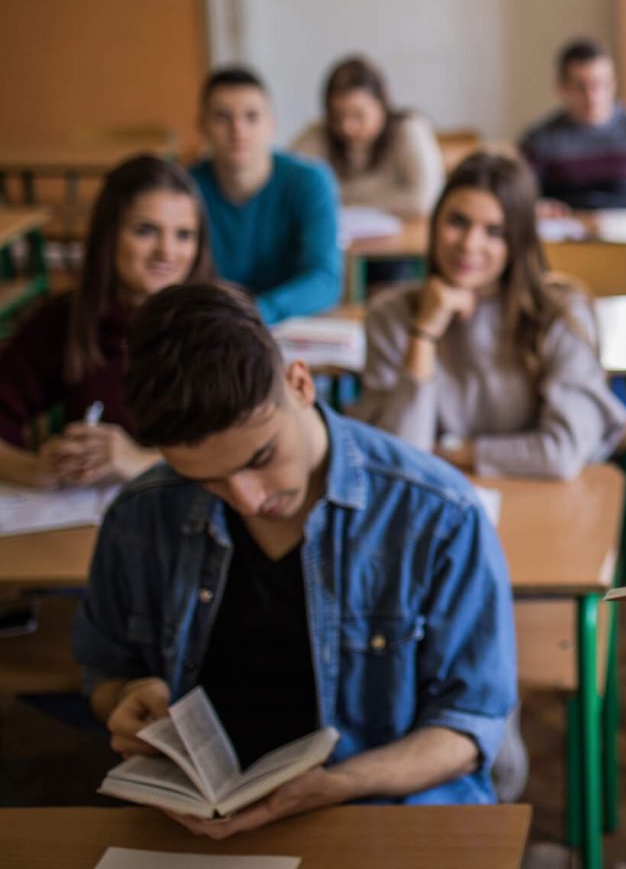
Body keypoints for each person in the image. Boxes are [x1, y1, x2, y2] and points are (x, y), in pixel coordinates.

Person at [70, 282, 517, 838]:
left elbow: (469, 725)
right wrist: (124, 700)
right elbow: (103, 670)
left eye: (262, 458)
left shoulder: (437, 513)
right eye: (206, 480)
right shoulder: (142, 514)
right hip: (199, 825)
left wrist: (343, 783)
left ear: (299, 383)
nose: (249, 499)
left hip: (377, 810)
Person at [352, 152, 626, 478]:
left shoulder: (560, 314)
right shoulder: (390, 315)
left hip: (539, 500)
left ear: (518, 241)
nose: (469, 244)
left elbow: (561, 453)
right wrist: (424, 333)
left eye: (494, 231)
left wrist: (450, 450)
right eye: (457, 222)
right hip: (435, 502)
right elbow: (400, 457)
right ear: (435, 222)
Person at [0, 156, 213, 489]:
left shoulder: (220, 325)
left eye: (184, 235)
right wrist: (33, 468)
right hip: (86, 518)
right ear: (108, 234)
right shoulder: (68, 318)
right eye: (145, 231)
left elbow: (250, 447)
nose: (167, 252)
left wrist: (141, 461)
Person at [189, 66, 343, 324]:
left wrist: (258, 311)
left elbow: (325, 280)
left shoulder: (310, 182)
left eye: (251, 116)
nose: (238, 130)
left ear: (272, 125)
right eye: (222, 117)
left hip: (288, 325)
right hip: (209, 327)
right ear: (202, 126)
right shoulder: (185, 189)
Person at [515, 39, 626, 217]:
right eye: (581, 87)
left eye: (600, 84)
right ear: (562, 87)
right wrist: (537, 208)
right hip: (564, 235)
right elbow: (518, 200)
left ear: (613, 83)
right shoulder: (541, 139)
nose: (592, 97)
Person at [291, 55, 445, 218]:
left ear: (382, 105)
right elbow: (287, 187)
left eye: (358, 115)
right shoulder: (319, 135)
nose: (347, 127)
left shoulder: (408, 130)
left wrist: (339, 199)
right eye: (337, 116)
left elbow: (424, 200)